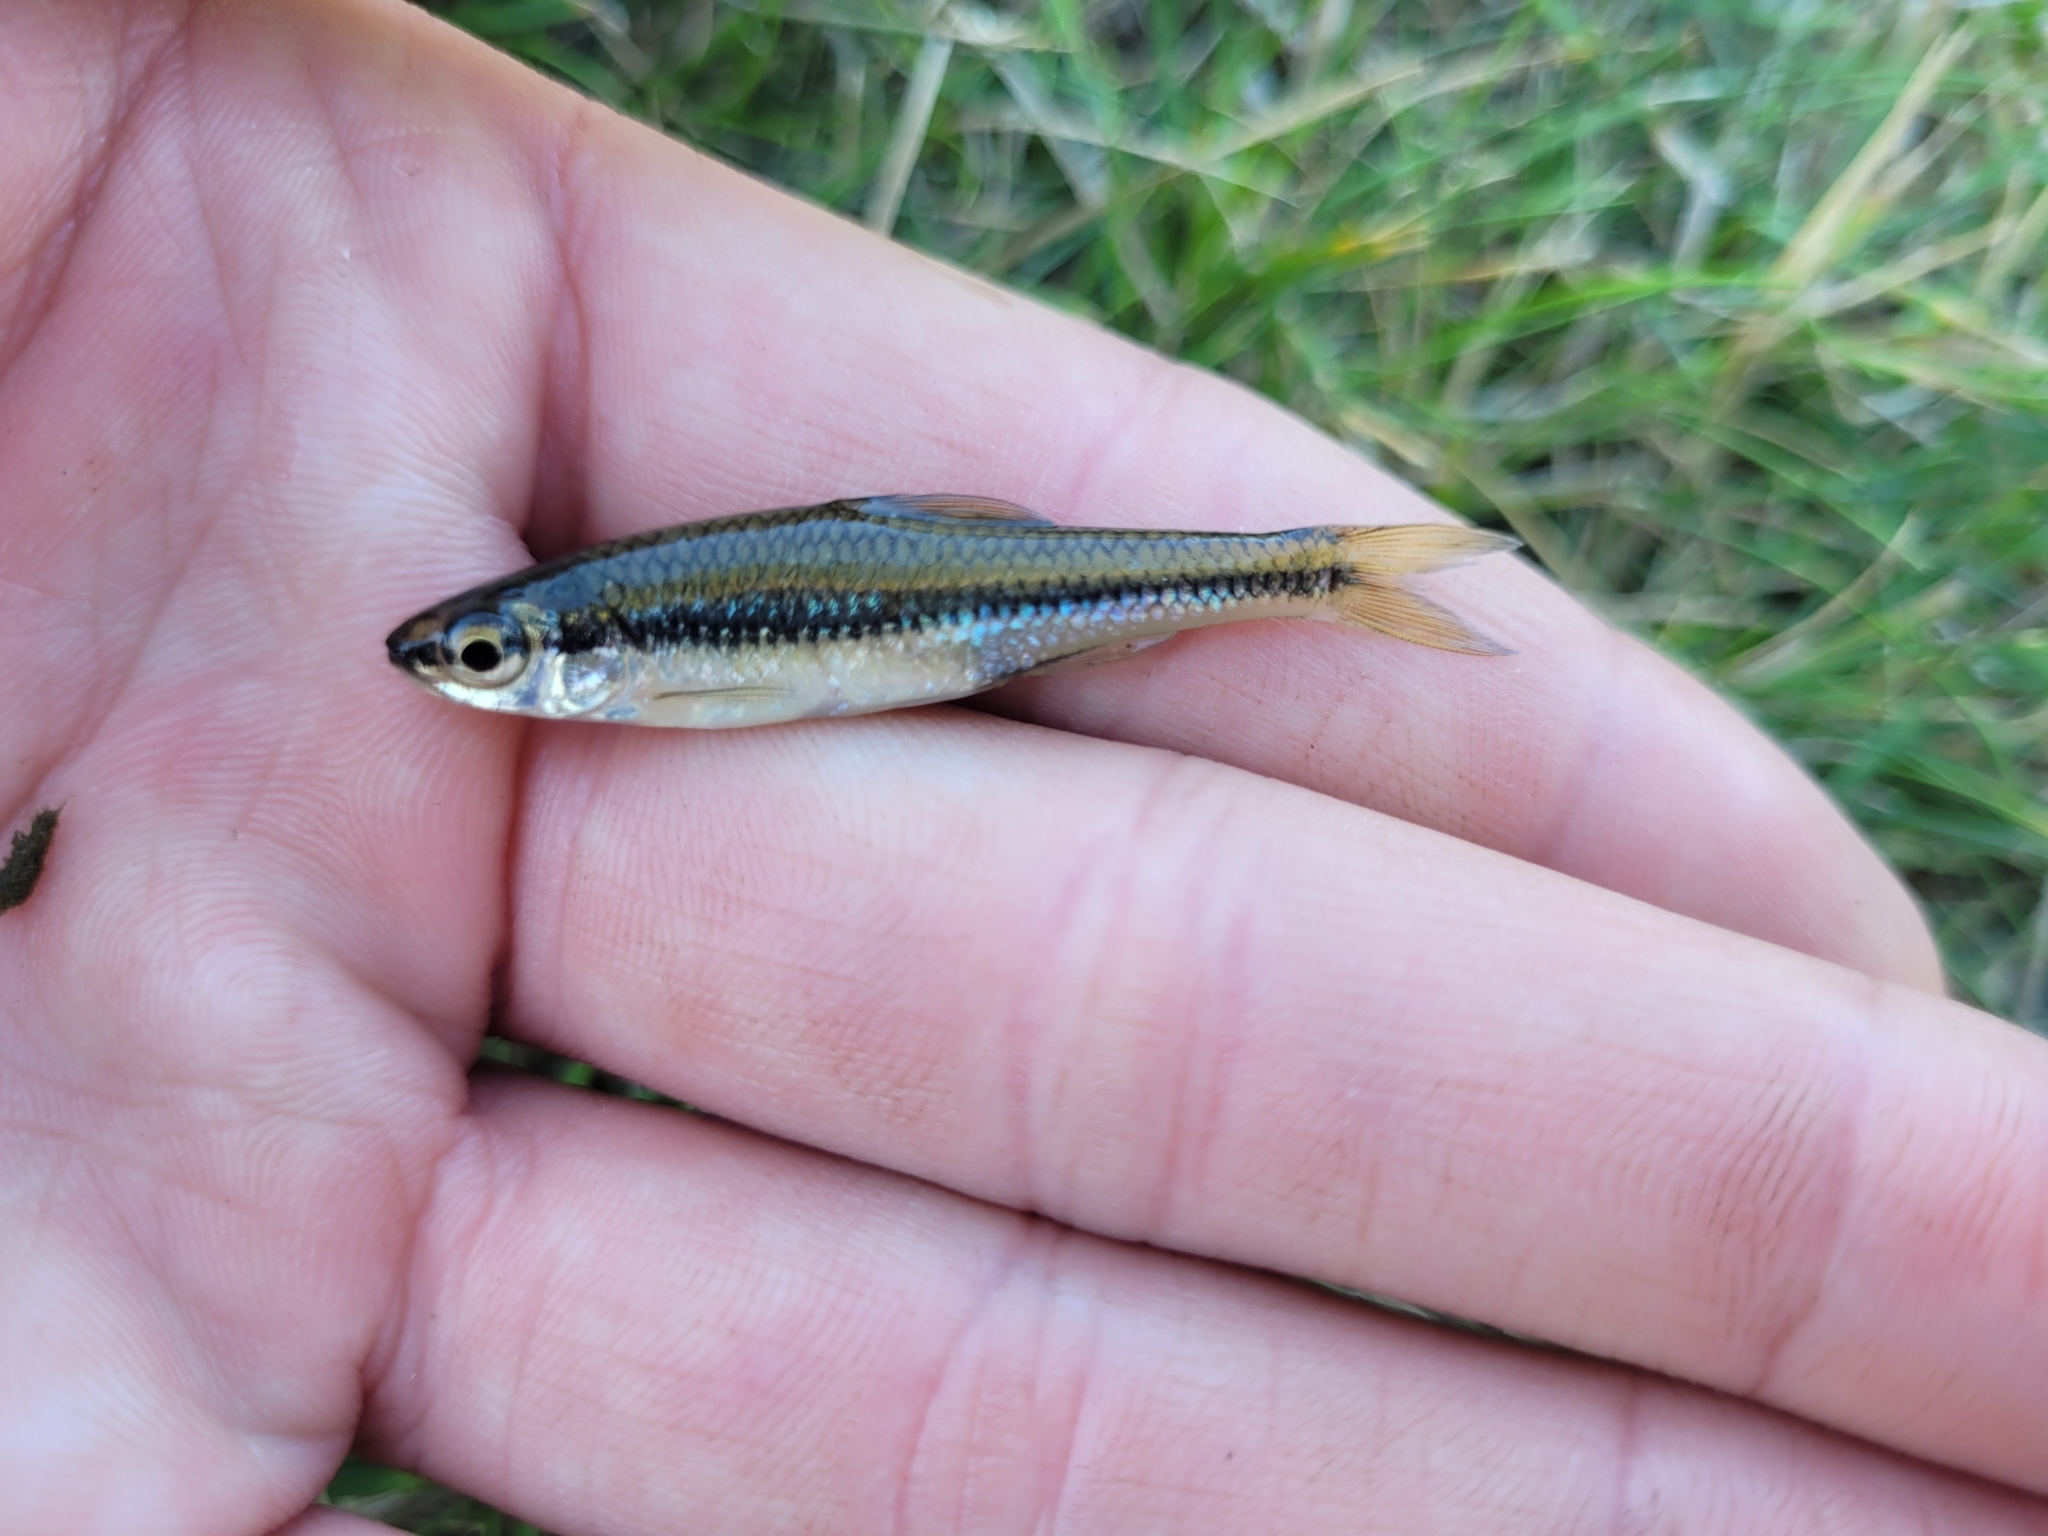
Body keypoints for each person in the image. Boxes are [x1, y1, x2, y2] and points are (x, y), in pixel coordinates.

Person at [3, 3, 2043, 1532]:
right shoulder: (613, 644)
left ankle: (1331, 576)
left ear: (572, 650)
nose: (470, 676)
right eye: (475, 660)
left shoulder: (628, 646)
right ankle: (1334, 574)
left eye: (483, 659)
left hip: (980, 595)